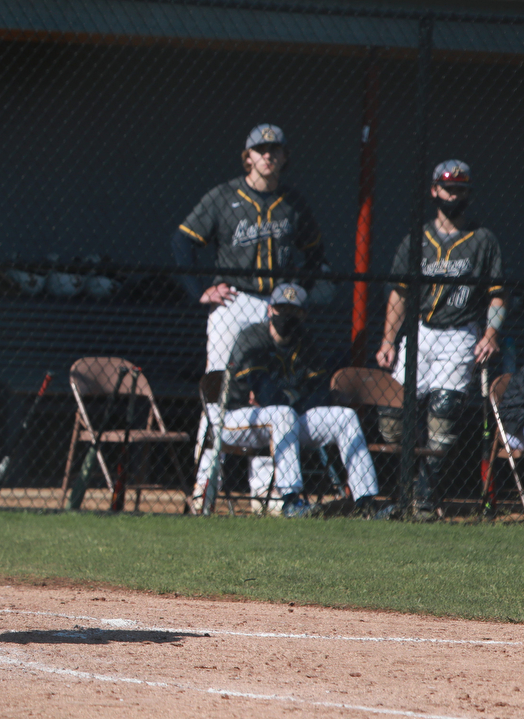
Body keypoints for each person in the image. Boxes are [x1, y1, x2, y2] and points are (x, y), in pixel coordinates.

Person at [375, 160, 504, 515]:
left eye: (461, 190)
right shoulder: (417, 240)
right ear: (434, 191)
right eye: (448, 189)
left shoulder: (482, 240)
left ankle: (425, 492)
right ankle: (408, 482)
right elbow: (399, 294)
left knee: (443, 412)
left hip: (461, 333)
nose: (454, 195)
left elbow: (497, 294)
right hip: (421, 331)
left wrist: (491, 333)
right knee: (391, 416)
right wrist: (388, 340)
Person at [195, 284, 380, 517]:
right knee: (282, 412)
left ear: (304, 315)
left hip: (285, 418)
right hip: (236, 418)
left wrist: (293, 399)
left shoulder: (305, 340)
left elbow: (320, 392)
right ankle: (291, 500)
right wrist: (296, 396)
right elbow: (264, 392)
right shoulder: (253, 337)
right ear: (270, 309)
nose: (287, 317)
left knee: (345, 417)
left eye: (294, 311)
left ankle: (366, 501)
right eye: (282, 309)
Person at [173, 125, 331, 377]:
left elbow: (314, 251)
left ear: (284, 157)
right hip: (234, 299)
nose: (268, 156)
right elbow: (182, 240)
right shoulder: (224, 196)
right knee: (220, 372)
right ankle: (213, 418)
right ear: (248, 157)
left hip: (277, 303)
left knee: (272, 375)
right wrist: (199, 290)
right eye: (260, 150)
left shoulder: (293, 202)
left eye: (275, 150)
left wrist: (300, 290)